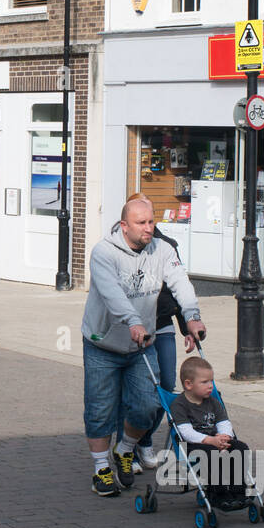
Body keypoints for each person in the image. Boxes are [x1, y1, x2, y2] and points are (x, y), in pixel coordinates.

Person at [81, 196, 206, 497]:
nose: (148, 228)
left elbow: (180, 283)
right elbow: (112, 294)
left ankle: (125, 450)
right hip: (103, 342)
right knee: (100, 409)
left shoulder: (162, 250)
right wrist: (132, 321)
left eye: (151, 222)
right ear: (124, 226)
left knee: (149, 406)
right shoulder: (103, 252)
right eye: (141, 223)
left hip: (141, 345)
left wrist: (192, 317)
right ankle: (101, 468)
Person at [170, 356, 251, 511]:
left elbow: (223, 423)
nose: (210, 386)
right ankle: (218, 493)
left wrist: (225, 437)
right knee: (211, 453)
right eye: (205, 382)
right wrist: (210, 440)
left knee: (240, 447)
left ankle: (238, 490)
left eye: (211, 381)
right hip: (194, 446)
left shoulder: (213, 402)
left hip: (216, 440)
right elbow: (186, 432)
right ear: (188, 384)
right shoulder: (179, 405)